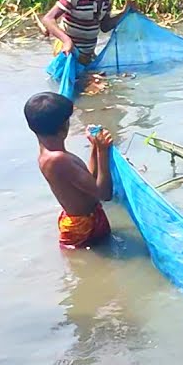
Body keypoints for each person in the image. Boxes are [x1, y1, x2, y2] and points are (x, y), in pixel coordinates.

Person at [24, 92, 113, 248]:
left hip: (84, 220)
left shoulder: (52, 154)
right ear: (64, 126)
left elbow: (89, 183)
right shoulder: (58, 160)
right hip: (82, 228)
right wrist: (103, 152)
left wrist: (95, 148)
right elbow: (104, 194)